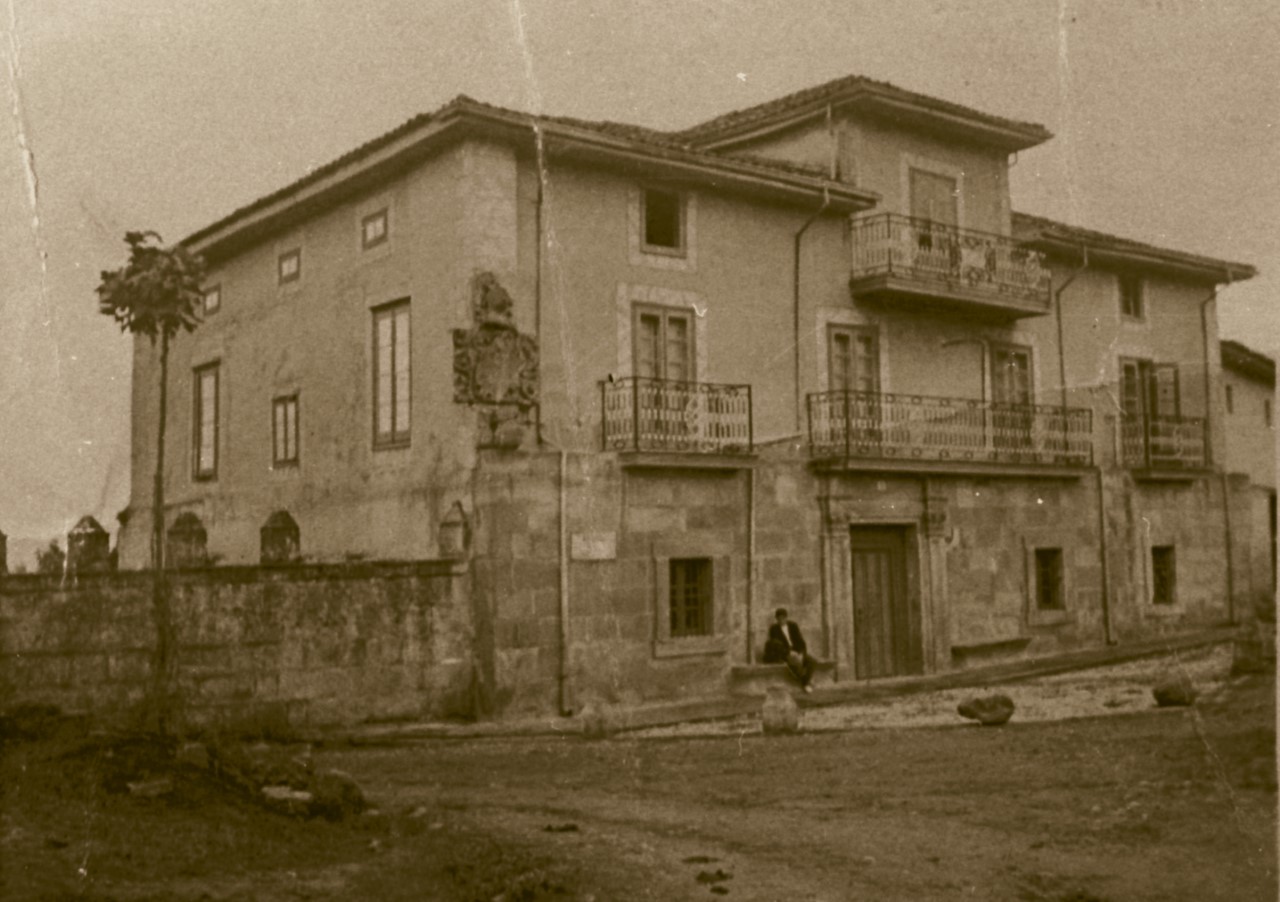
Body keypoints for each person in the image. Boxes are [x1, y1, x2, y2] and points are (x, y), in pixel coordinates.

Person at [763, 607, 817, 692]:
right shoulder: (774, 629)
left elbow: (801, 641)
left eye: (783, 618)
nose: (781, 620)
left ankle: (805, 681)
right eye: (779, 618)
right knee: (795, 663)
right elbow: (777, 646)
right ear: (776, 619)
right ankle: (806, 683)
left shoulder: (793, 626)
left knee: (812, 661)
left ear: (786, 618)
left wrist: (801, 653)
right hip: (785, 653)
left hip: (797, 651)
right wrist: (789, 653)